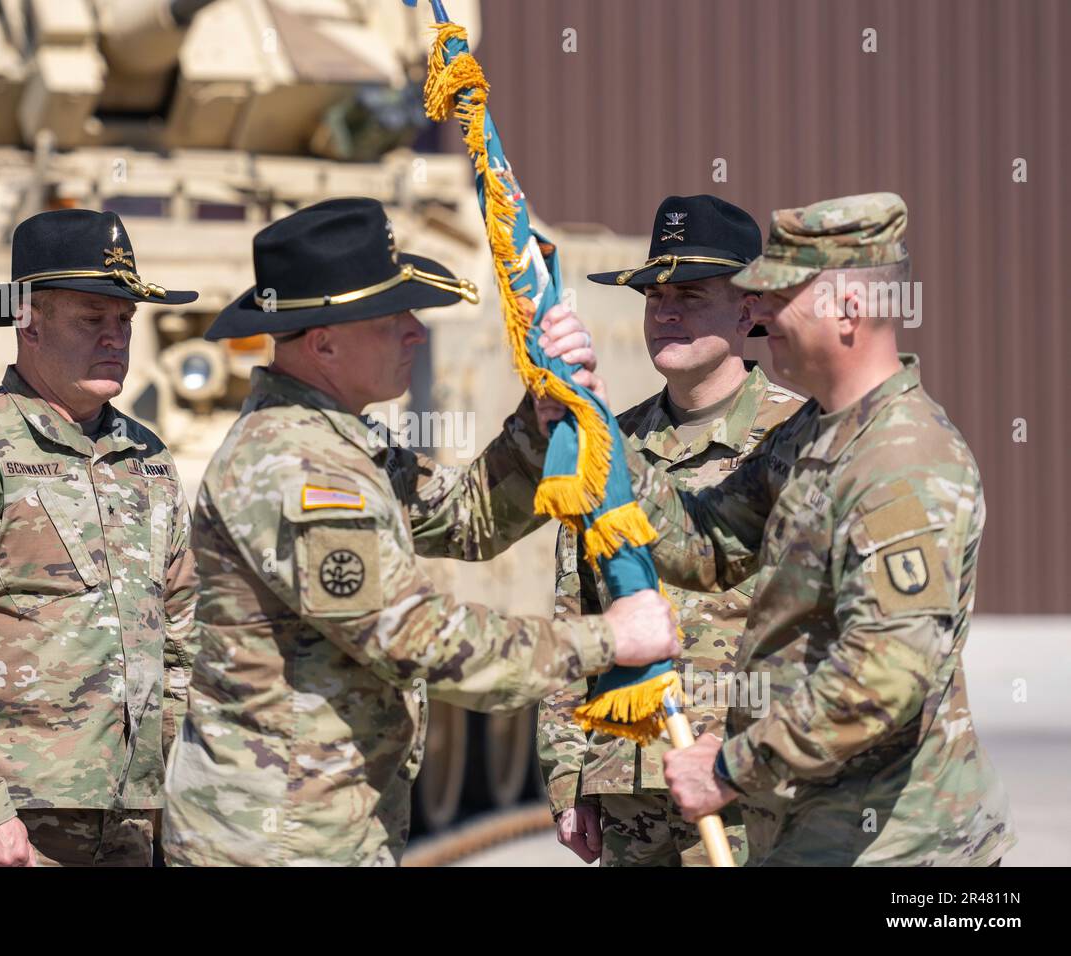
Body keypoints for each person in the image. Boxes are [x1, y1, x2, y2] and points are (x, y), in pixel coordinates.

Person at [161, 196, 682, 866]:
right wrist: (608, 638)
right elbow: (412, 638)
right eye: (391, 318)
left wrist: (542, 419)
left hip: (314, 827)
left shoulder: (342, 444)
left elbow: (467, 519)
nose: (416, 331)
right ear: (323, 342)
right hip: (278, 838)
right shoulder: (298, 468)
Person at [629, 193, 1014, 865]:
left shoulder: (902, 461)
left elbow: (884, 674)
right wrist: (601, 450)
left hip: (898, 846)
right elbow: (705, 544)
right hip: (816, 831)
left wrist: (729, 768)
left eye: (781, 295)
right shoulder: (814, 436)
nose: (764, 314)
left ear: (850, 310)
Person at [0, 209, 203, 866]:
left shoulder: (146, 459)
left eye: (124, 321)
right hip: (7, 829)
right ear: (28, 318)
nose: (115, 337)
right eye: (92, 319)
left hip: (128, 824)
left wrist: (188, 792)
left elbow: (182, 644)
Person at [537, 195, 804, 866]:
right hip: (628, 795)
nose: (667, 311)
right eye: (655, 297)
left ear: (748, 309)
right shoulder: (608, 447)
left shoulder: (798, 440)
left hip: (746, 799)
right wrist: (567, 776)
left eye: (690, 293)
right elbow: (574, 614)